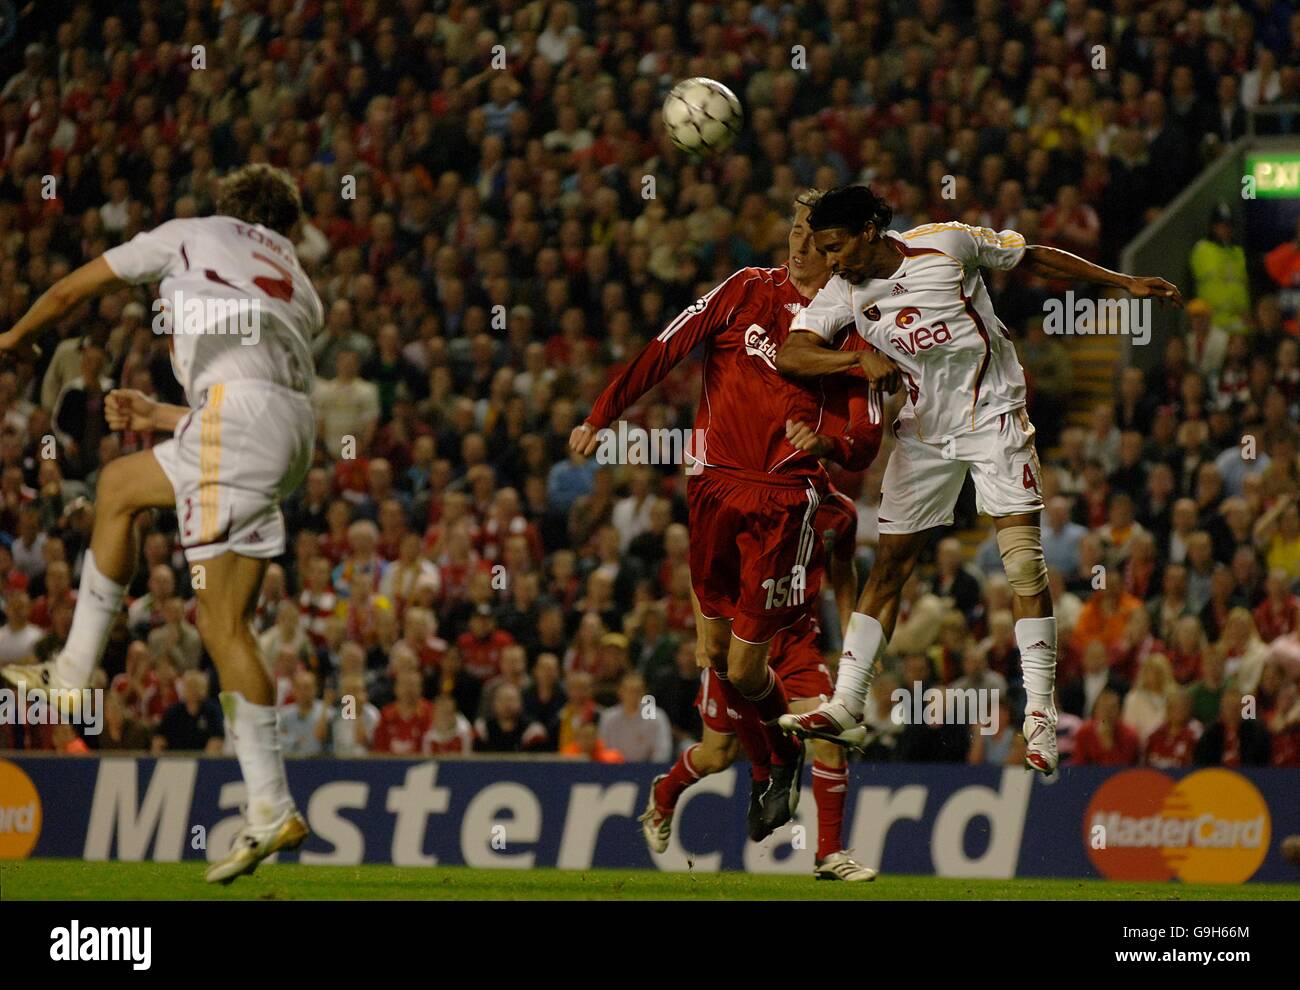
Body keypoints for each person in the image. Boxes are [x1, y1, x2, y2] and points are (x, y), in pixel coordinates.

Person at [776, 184, 1181, 775]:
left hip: (994, 415)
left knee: (1020, 562)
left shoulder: (946, 243)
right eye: (824, 250)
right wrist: (852, 358)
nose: (831, 261)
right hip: (923, 432)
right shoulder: (842, 292)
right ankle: (846, 703)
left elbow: (1033, 255)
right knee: (889, 568)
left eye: (836, 247)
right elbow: (792, 352)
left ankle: (1040, 714)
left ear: (868, 230)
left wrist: (1122, 283)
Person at [0, 163, 323, 884]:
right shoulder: (301, 281)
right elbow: (264, 394)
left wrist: (15, 336)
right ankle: (269, 806)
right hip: (286, 431)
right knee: (120, 488)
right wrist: (162, 417)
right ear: (285, 227)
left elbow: (71, 289)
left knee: (221, 626)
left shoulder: (191, 233)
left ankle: (76, 678)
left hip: (234, 422)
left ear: (227, 204)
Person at [569, 190, 881, 835]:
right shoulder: (744, 288)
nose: (799, 247)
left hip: (781, 499)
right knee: (713, 653)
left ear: (837, 251)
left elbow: (863, 436)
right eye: (795, 231)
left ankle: (779, 767)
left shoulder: (850, 321)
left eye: (815, 240)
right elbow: (667, 345)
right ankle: (770, 764)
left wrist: (831, 442)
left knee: (743, 667)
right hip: (710, 486)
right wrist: (604, 412)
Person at [639, 477, 877, 881]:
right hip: (738, 642)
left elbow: (843, 573)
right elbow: (705, 571)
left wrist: (855, 648)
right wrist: (704, 637)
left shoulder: (840, 513)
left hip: (796, 643)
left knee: (828, 737)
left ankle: (829, 854)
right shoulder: (747, 497)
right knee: (717, 755)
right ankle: (665, 793)